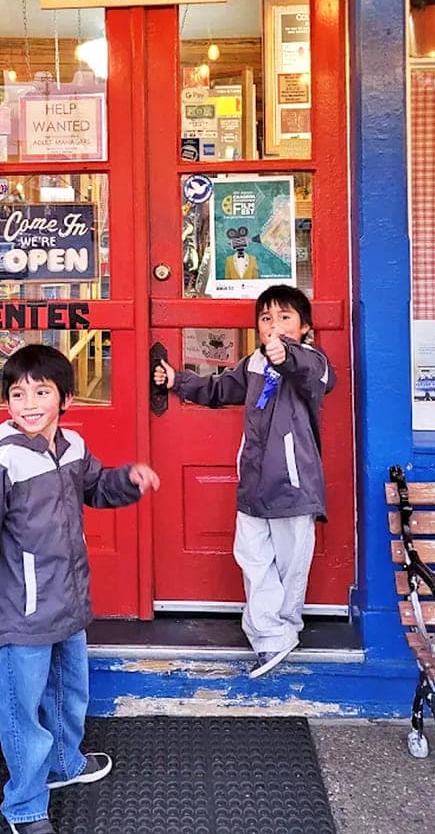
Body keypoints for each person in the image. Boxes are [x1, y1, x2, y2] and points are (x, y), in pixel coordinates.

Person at [0, 343, 159, 834]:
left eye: (41, 392)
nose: (29, 403)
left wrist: (129, 479)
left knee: (69, 689)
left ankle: (65, 761)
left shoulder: (74, 447)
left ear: (67, 400)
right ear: (7, 403)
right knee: (22, 706)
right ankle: (25, 805)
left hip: (69, 598)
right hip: (24, 608)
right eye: (17, 394)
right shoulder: (4, 460)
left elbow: (97, 486)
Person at [154, 283, 335, 680]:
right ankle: (269, 633)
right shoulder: (254, 363)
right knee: (252, 558)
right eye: (266, 319)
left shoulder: (312, 361)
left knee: (291, 564)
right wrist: (177, 381)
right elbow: (220, 388)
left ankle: (283, 630)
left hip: (293, 486)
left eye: (285, 317)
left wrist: (286, 354)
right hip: (252, 484)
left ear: (305, 327)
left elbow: (315, 374)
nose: (274, 326)